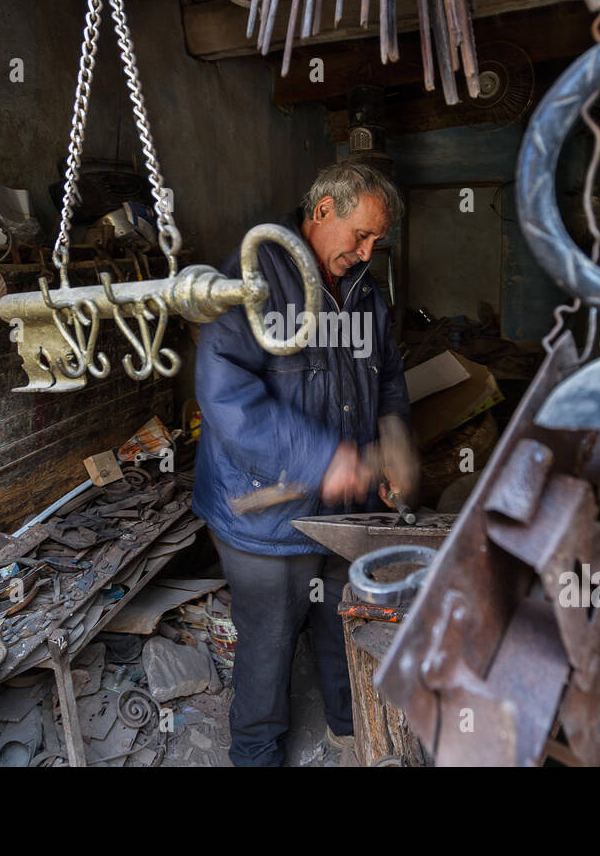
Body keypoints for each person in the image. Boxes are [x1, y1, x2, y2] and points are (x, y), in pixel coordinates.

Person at [191, 160, 418, 766]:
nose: (369, 251)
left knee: (345, 620)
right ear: (322, 211)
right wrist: (323, 458)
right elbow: (224, 394)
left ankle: (353, 730)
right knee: (267, 643)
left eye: (377, 241)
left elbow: (388, 375)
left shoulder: (366, 290)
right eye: (361, 235)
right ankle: (257, 755)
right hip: (266, 512)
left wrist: (393, 445)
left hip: (345, 509)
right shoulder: (251, 275)